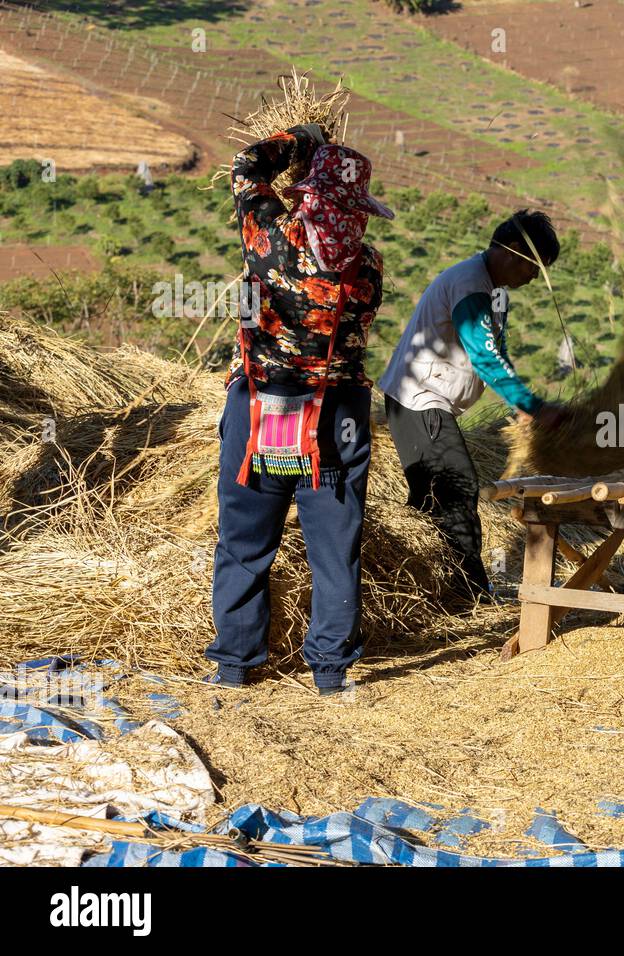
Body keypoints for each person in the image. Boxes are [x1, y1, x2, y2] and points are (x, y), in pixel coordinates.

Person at [206, 123, 390, 695]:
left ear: (307, 196)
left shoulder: (269, 240)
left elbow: (245, 167)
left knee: (245, 541)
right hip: (336, 416)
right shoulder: (368, 267)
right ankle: (331, 671)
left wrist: (297, 140)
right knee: (334, 547)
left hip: (263, 409)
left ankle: (236, 665)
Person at [378, 210, 565, 603]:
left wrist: (521, 407)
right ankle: (469, 598)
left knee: (433, 498)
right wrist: (531, 404)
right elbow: (484, 356)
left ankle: (424, 592)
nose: (534, 278)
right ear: (514, 252)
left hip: (428, 404)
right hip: (420, 401)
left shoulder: (492, 290)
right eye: (536, 268)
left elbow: (498, 351)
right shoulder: (470, 284)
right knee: (456, 493)